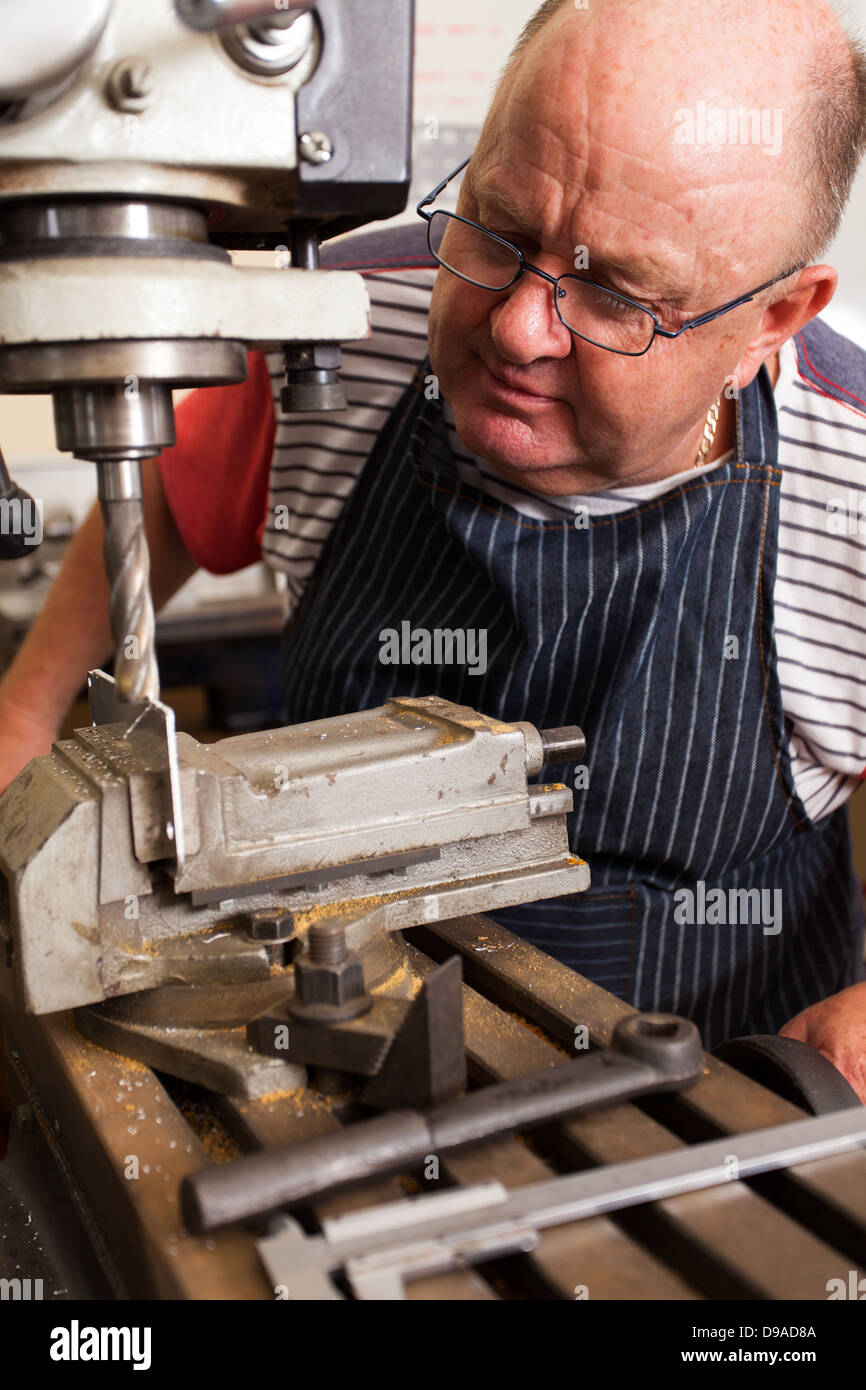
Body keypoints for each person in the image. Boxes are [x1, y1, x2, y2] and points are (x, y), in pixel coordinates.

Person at [1, 0, 866, 1090]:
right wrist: (24, 712)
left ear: (775, 318)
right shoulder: (342, 330)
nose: (513, 327)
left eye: (611, 293)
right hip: (316, 1074)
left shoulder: (847, 490)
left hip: (698, 1123)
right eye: (496, 229)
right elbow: (168, 497)